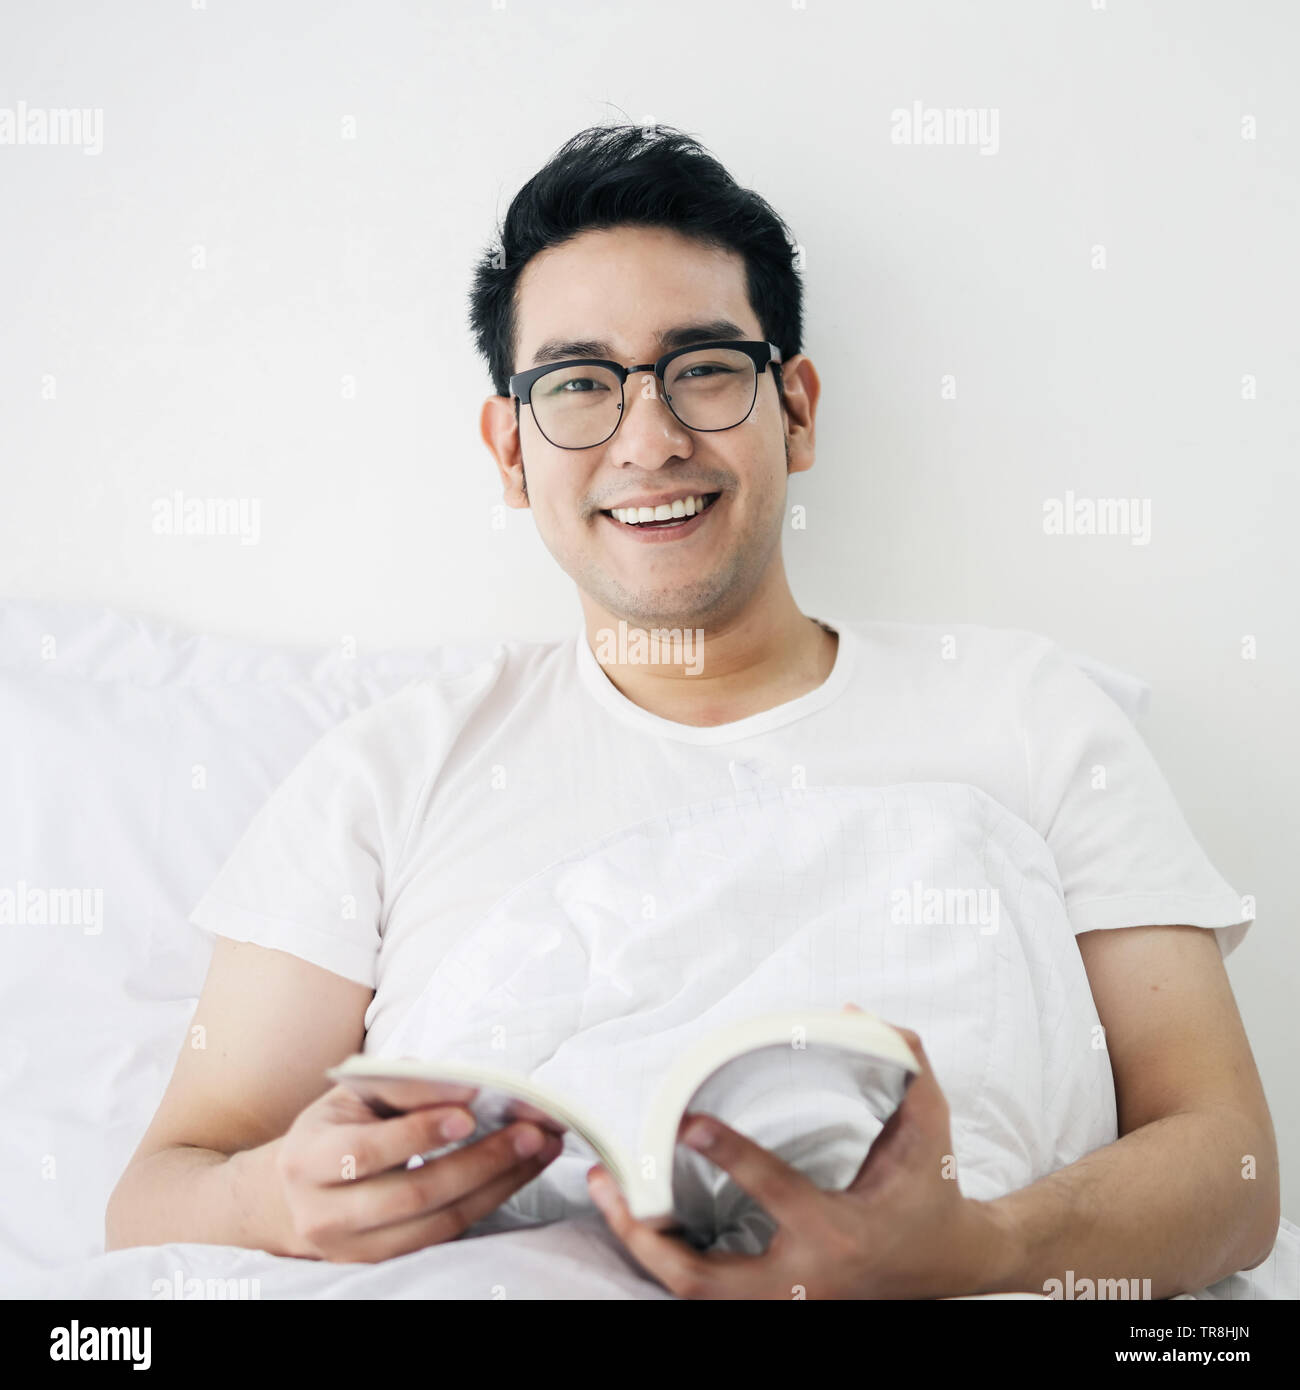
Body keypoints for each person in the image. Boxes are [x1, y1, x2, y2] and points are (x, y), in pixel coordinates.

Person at [105, 123, 1279, 1299]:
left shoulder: (1027, 712)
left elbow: (1230, 1171)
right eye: (577, 386)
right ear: (512, 453)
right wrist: (279, 1198)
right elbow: (155, 1197)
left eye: (704, 367)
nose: (650, 439)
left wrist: (978, 1251)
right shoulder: (387, 773)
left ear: (797, 410)